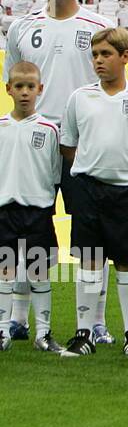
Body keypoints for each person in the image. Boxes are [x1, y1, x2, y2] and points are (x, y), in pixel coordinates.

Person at [2, 0, 114, 344]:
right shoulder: (22, 28)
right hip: (35, 145)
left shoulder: (99, 26)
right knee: (25, 231)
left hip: (83, 145)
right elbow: (17, 78)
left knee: (89, 234)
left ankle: (96, 321)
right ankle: (19, 318)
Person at [58, 28, 128, 358]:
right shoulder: (80, 98)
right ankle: (83, 334)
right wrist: (93, 169)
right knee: (90, 262)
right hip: (89, 191)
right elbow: (68, 144)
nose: (98, 61)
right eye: (94, 55)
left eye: (106, 54)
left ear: (125, 57)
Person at [0, 62, 64, 353]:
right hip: (5, 210)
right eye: (19, 87)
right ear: (8, 89)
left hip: (37, 211)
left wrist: (44, 199)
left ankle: (44, 333)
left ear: (40, 89)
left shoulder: (49, 129)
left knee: (39, 273)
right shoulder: (1, 127)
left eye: (30, 87)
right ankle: (3, 332)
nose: (24, 93)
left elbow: (54, 172)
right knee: (5, 272)